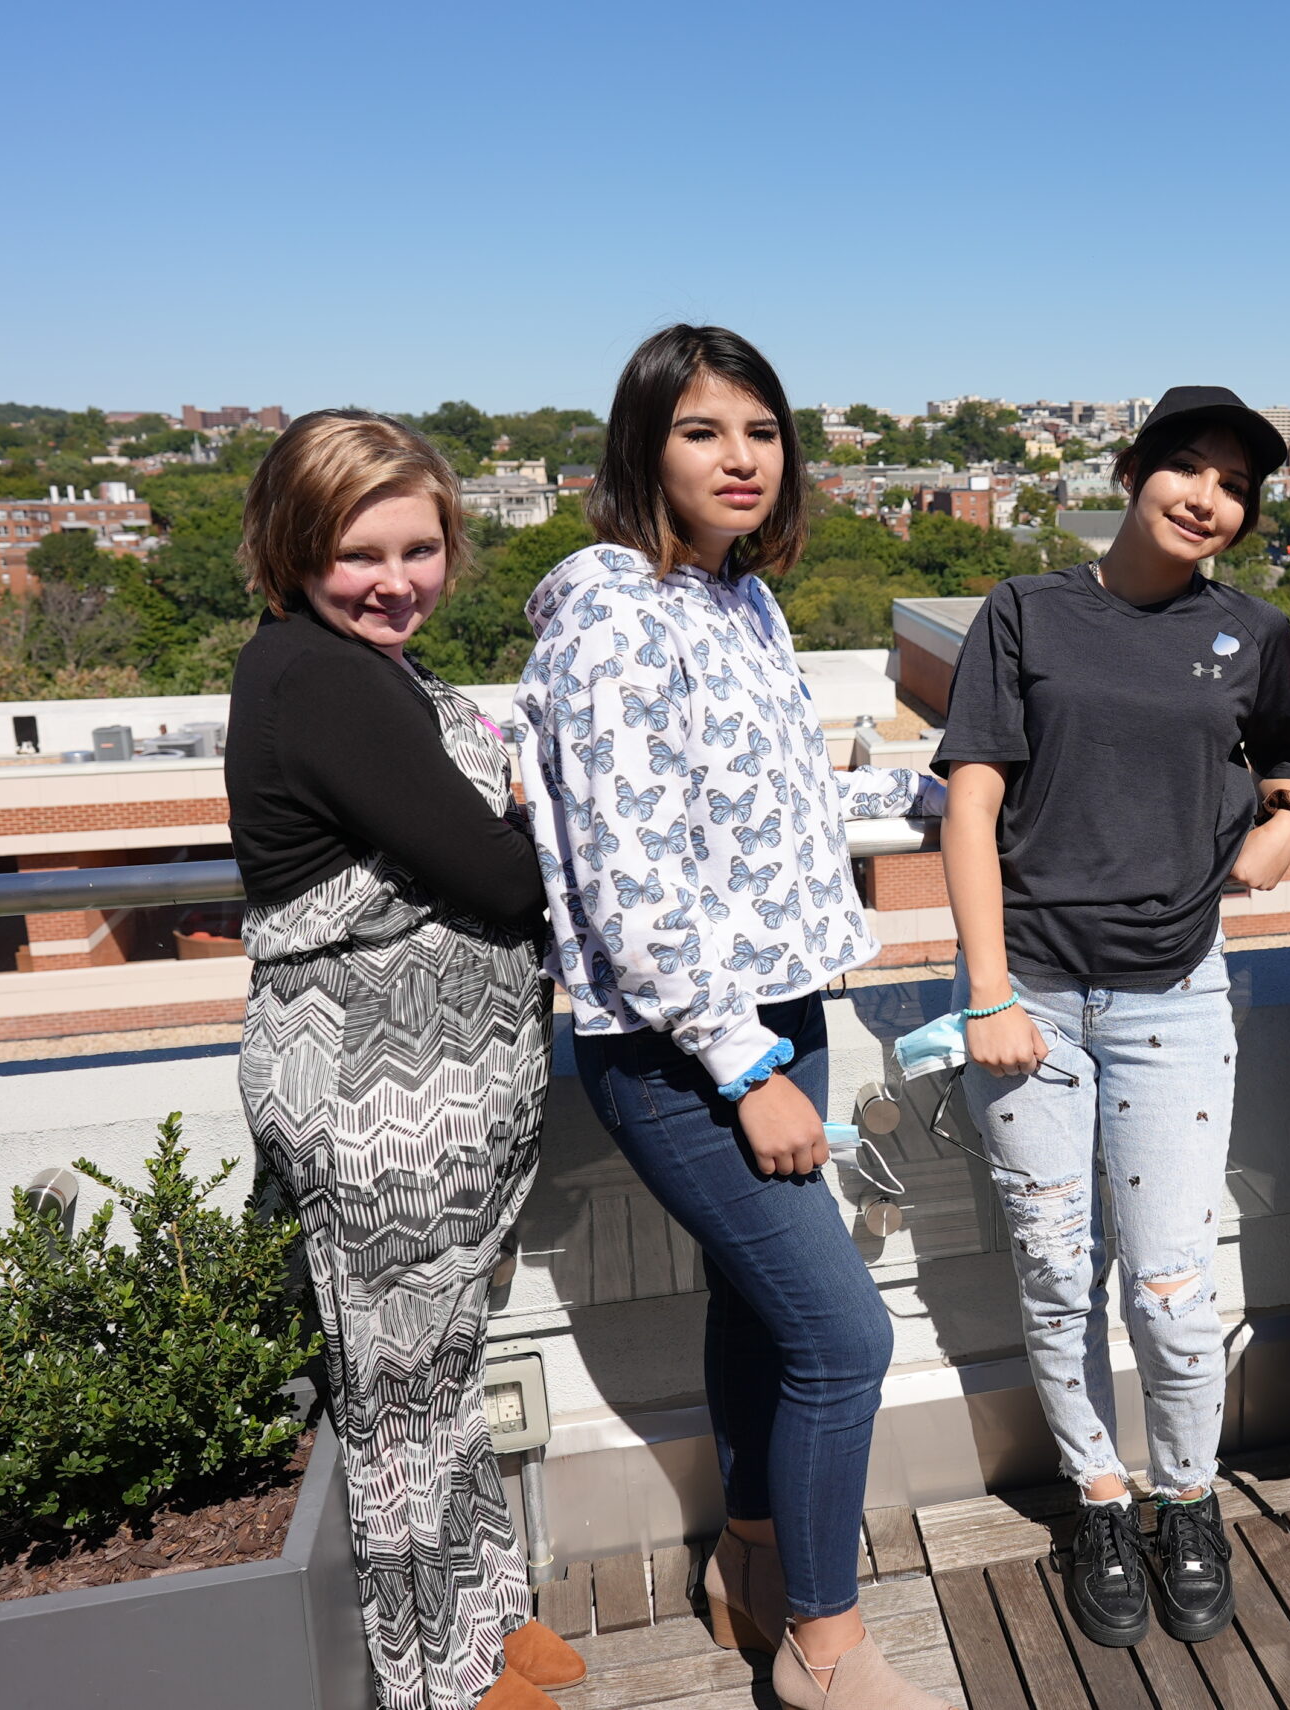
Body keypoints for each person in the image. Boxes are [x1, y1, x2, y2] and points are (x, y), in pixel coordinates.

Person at [516, 325, 949, 1710]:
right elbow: (635, 891)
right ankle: (823, 1645)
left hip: (774, 1003)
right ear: (644, 449)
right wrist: (747, 1062)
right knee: (846, 1337)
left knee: (765, 1314)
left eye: (760, 430)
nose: (741, 457)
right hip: (682, 1040)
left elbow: (746, 821)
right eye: (703, 431)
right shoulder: (616, 620)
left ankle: (749, 1554)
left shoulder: (737, 599)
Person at [932, 387, 1290, 1650]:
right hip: (1029, 994)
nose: (1208, 497)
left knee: (1169, 1280)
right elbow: (973, 805)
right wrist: (984, 991)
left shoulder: (1252, 631)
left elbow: (1285, 770)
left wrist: (1283, 832)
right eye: (1185, 469)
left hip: (1172, 996)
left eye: (1233, 484)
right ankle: (1100, 1493)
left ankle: (1186, 1497)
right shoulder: (1027, 611)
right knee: (1056, 1274)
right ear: (1136, 472)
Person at [229, 410, 585, 1710]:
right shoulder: (315, 675)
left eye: (420, 547)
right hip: (375, 1094)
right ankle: (433, 1673)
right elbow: (495, 865)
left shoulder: (365, 666)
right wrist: (561, 818)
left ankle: (489, 1617)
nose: (395, 580)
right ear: (288, 546)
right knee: (391, 1402)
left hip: (439, 1092)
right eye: (357, 551)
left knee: (440, 1375)